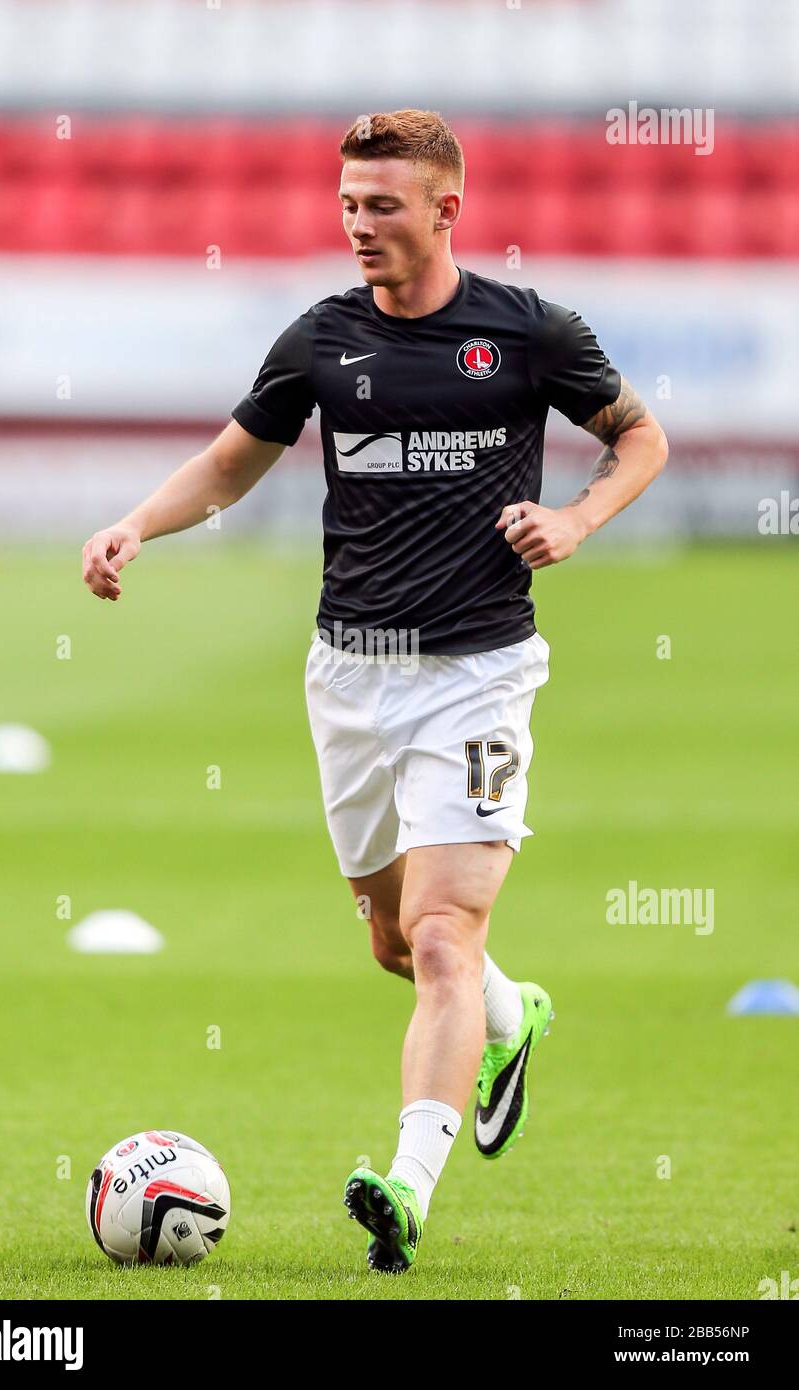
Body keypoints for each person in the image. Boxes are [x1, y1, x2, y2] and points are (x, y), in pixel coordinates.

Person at [82, 108, 668, 1275]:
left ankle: (405, 1185)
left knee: (448, 935)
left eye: (383, 205)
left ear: (448, 210)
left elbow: (639, 435)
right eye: (349, 203)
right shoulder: (323, 340)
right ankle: (519, 1016)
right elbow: (232, 459)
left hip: (481, 674)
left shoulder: (527, 330)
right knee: (397, 943)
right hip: (349, 678)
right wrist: (137, 524)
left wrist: (575, 517)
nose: (359, 225)